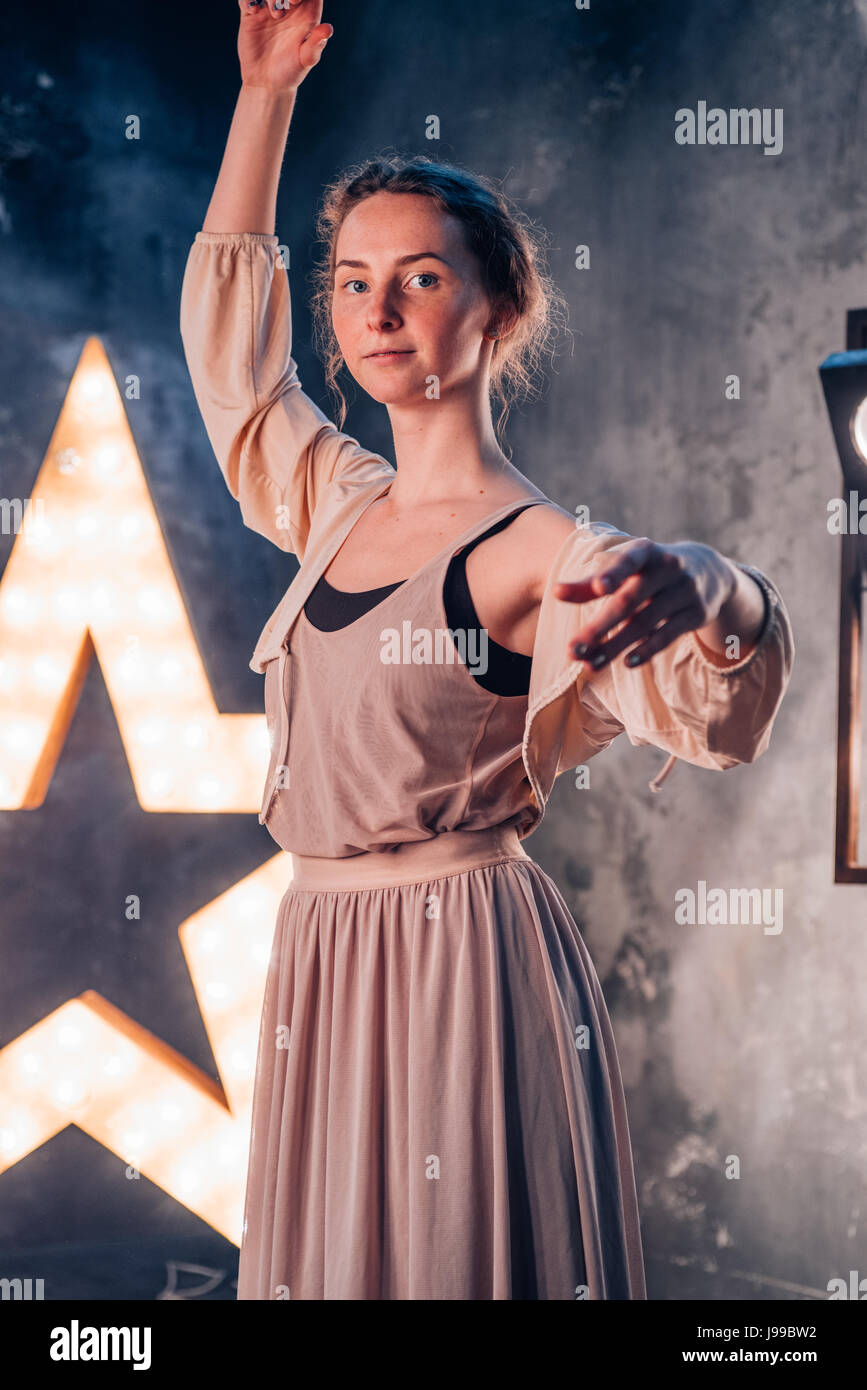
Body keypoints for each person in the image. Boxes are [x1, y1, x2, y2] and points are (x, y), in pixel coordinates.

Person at [179, 0, 795, 1300]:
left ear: (499, 304)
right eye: (352, 280)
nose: (377, 308)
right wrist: (265, 96)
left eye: (420, 276)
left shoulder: (540, 549)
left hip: (459, 961)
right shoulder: (336, 498)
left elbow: (716, 710)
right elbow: (237, 379)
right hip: (324, 958)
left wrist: (713, 585)